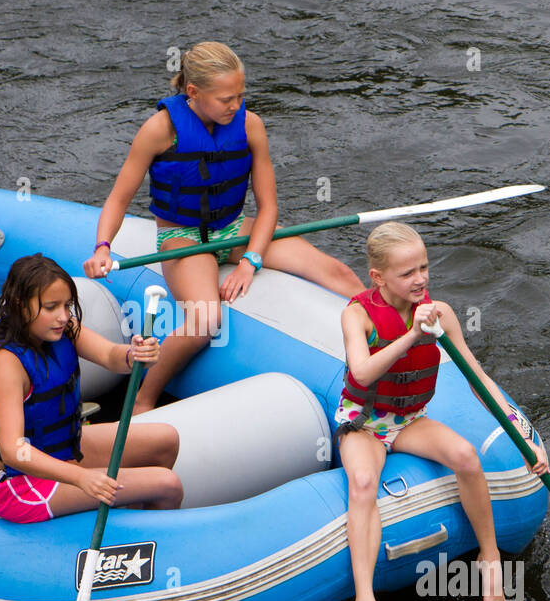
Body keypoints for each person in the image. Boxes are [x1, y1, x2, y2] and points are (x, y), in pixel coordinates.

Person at [83, 42, 363, 412]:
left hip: (232, 230)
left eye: (240, 95)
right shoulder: (159, 130)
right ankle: (141, 399)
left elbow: (268, 209)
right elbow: (118, 199)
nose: (235, 105)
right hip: (183, 239)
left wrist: (250, 261)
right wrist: (103, 246)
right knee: (205, 319)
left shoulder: (250, 126)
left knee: (337, 271)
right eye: (226, 98)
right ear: (193, 92)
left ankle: (401, 332)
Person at [336, 222, 550, 601]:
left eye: (424, 267)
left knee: (466, 456)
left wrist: (524, 434)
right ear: (378, 278)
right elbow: (360, 374)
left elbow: (478, 381)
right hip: (364, 423)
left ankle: (488, 559)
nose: (420, 279)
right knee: (362, 484)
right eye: (407, 273)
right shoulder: (356, 314)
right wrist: (414, 334)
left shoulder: (442, 313)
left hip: (411, 419)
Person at [0, 254, 182, 523]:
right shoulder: (4, 364)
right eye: (51, 307)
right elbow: (13, 451)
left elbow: (109, 355)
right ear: (20, 306)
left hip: (60, 449)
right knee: (168, 484)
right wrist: (82, 478)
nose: (62, 316)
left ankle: (130, 520)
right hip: (16, 482)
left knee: (166, 440)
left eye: (67, 305)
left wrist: (134, 354)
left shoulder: (63, 328)